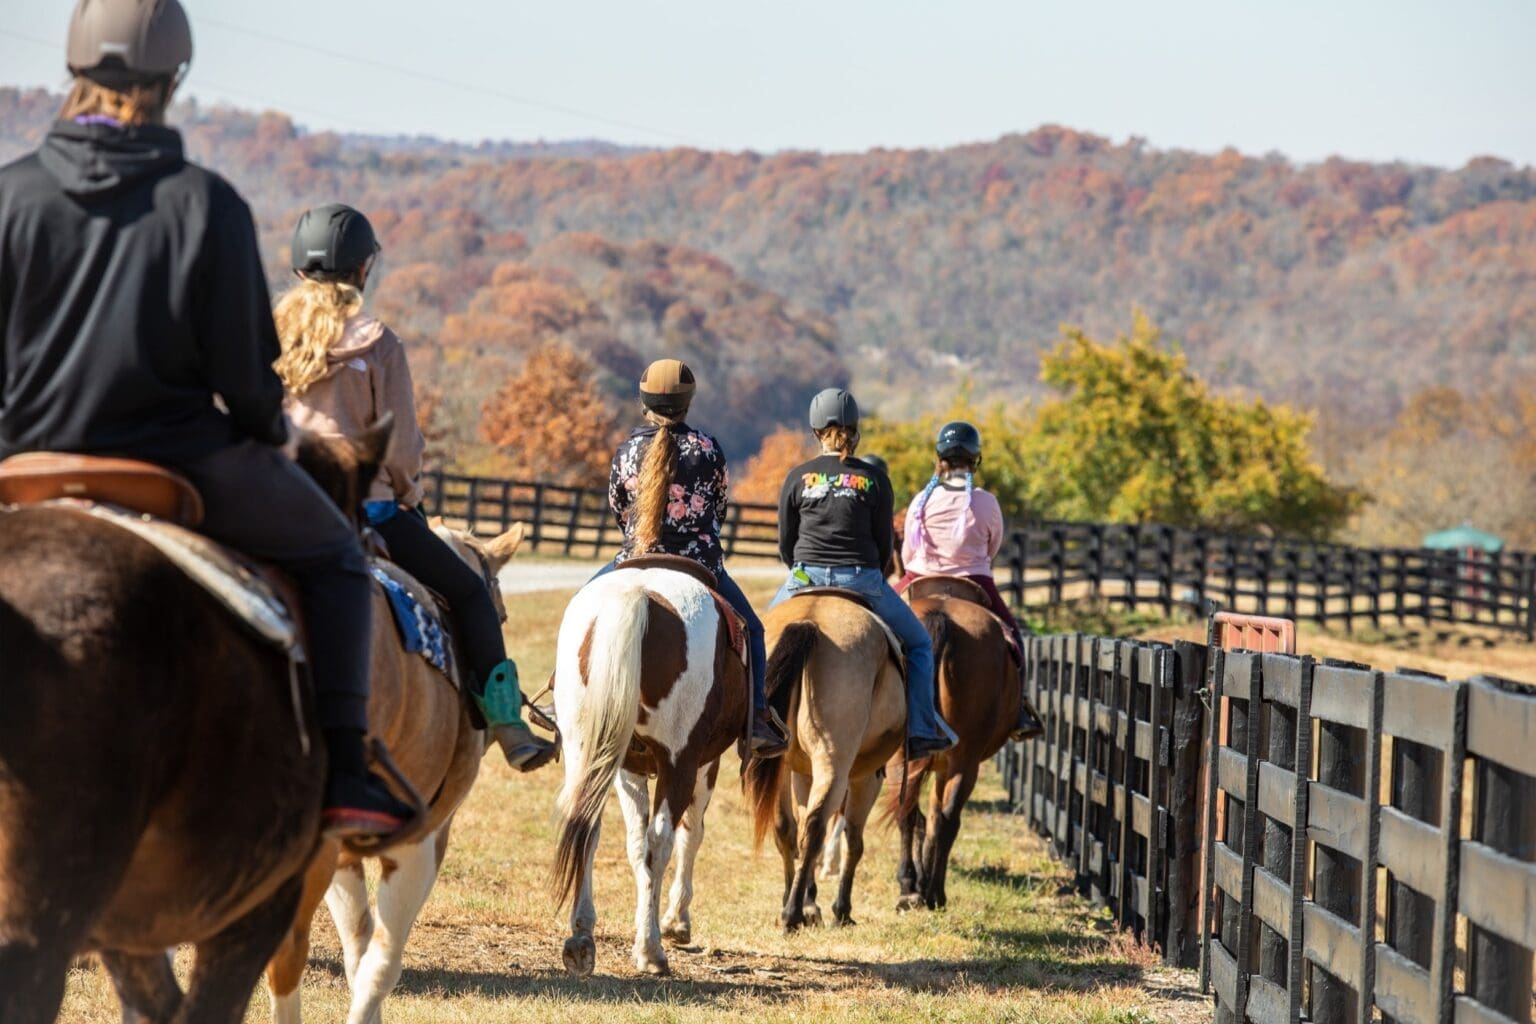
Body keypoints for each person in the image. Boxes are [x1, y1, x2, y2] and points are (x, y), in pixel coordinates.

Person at [0, 0, 412, 840]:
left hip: (23, 453)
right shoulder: (205, 204)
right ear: (174, 78)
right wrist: (274, 431)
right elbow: (245, 382)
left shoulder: (9, 196)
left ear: (74, 71)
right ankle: (343, 770)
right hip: (178, 459)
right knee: (338, 561)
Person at [275, 204, 556, 771]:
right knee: (472, 593)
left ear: (299, 271)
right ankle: (506, 724)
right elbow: (400, 447)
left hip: (281, 504)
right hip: (367, 507)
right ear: (363, 270)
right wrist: (407, 494)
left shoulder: (267, 336)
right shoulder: (377, 342)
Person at [596, 359, 787, 758]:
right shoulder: (708, 448)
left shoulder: (628, 449)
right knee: (752, 630)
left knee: (580, 610)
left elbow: (618, 507)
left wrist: (638, 539)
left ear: (643, 400)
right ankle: (756, 719)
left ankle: (560, 697)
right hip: (699, 564)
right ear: (689, 402)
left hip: (636, 557)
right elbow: (719, 510)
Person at [771, 389, 957, 759]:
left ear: (815, 429)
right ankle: (921, 729)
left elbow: (785, 543)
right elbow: (884, 542)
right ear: (855, 429)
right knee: (919, 646)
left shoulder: (797, 477)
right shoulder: (873, 479)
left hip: (804, 578)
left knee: (758, 640)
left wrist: (806, 570)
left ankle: (752, 722)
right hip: (861, 580)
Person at [896, 420, 1040, 739]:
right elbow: (994, 545)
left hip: (920, 578)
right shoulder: (986, 501)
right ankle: (1018, 712)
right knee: (1014, 640)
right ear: (976, 460)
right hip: (973, 578)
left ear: (939, 459)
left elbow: (908, 551)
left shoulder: (921, 499)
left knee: (873, 622)